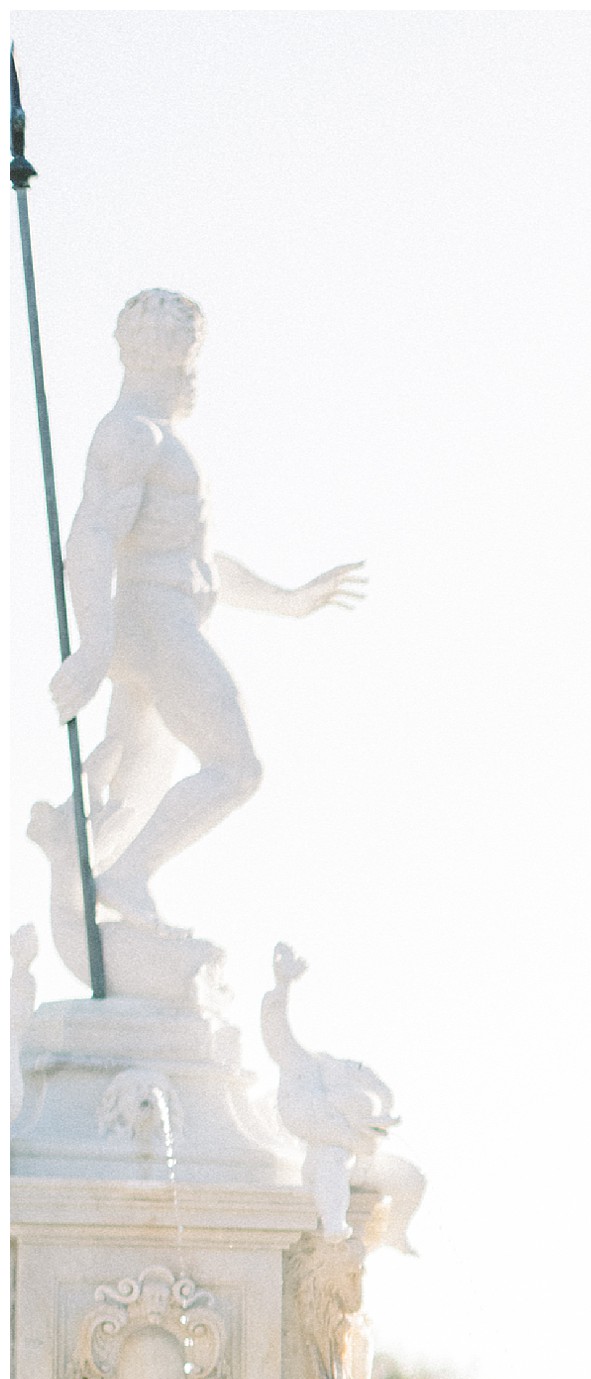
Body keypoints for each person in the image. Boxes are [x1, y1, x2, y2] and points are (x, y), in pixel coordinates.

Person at [30, 288, 363, 941]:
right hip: (156, 623)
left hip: (168, 616)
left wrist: (288, 602)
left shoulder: (163, 439)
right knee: (237, 767)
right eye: (186, 357)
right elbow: (91, 537)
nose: (193, 371)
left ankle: (89, 878)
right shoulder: (130, 433)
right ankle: (126, 875)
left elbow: (201, 562)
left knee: (132, 791)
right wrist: (94, 646)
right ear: (159, 358)